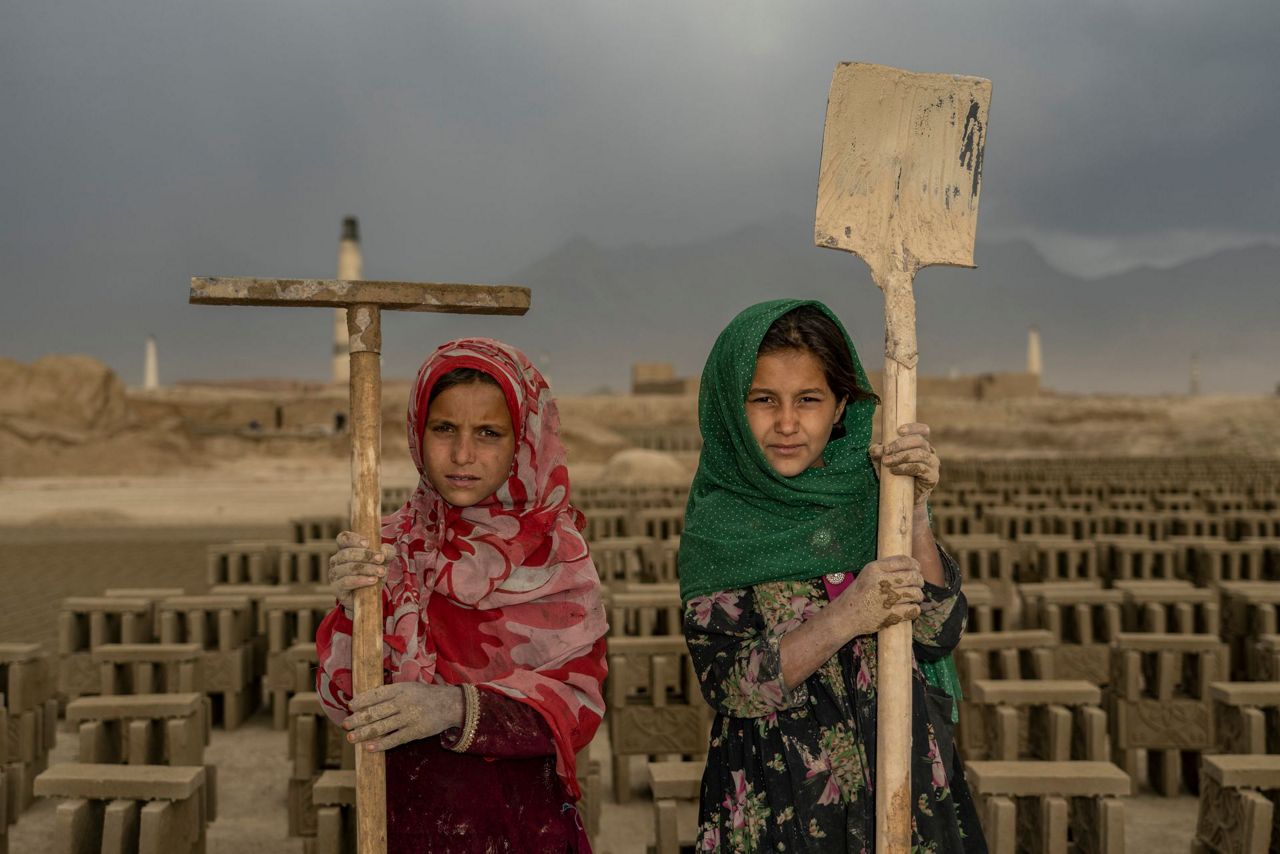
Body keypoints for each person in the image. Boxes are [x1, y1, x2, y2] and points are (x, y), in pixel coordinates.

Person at [679, 300, 986, 852]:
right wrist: (848, 616)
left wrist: (912, 513)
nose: (788, 423)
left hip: (904, 782)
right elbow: (730, 685)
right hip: (784, 799)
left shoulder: (871, 492)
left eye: (810, 400)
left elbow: (939, 631)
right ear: (731, 405)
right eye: (764, 400)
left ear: (842, 405)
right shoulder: (722, 524)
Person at [315, 337, 608, 852]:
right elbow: (343, 703)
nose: (463, 454)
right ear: (417, 432)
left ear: (523, 441)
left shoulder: (556, 555)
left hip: (524, 826)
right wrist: (353, 610)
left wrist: (455, 707)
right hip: (407, 822)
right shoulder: (385, 548)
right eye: (444, 428)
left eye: (489, 433)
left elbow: (578, 707)